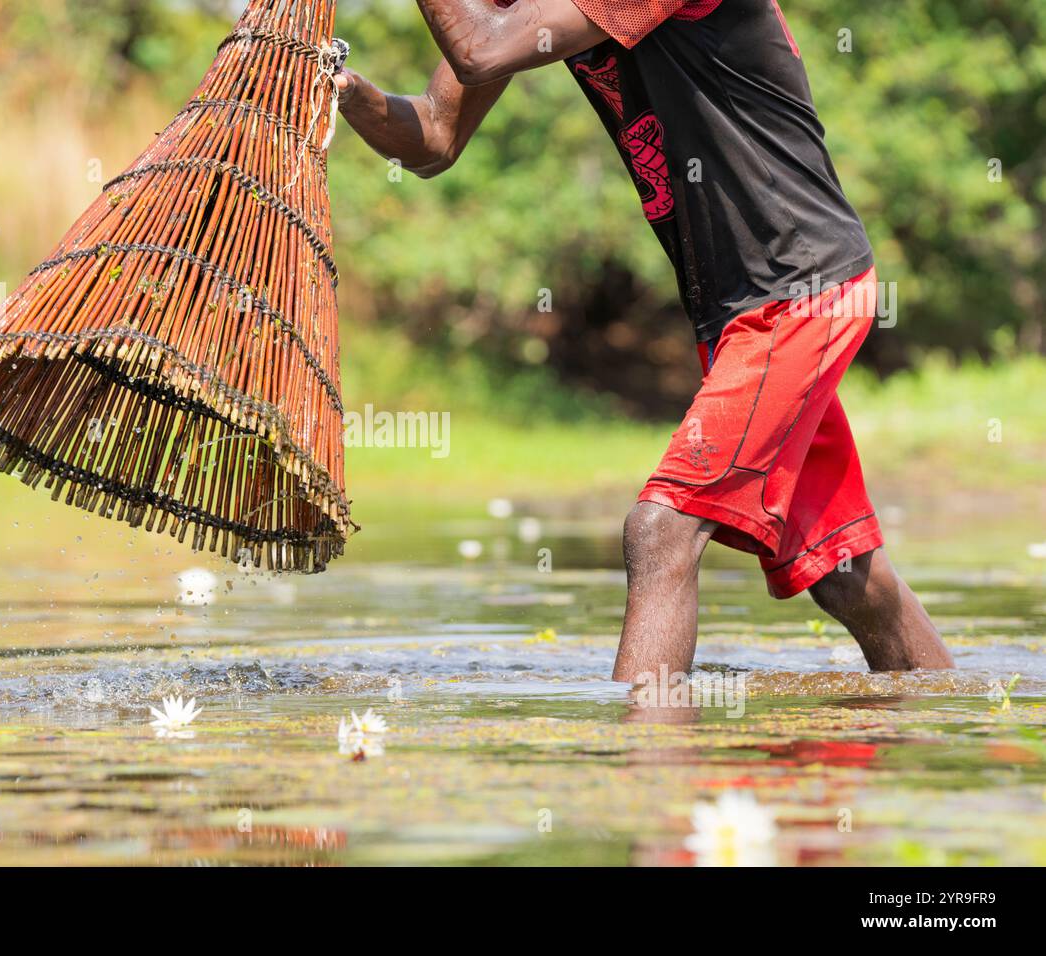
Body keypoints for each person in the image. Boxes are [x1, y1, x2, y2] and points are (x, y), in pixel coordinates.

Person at [334, 0, 955, 679]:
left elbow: (480, 49)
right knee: (840, 569)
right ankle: (953, 719)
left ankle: (644, 772)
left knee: (661, 531)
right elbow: (430, 136)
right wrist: (344, 86)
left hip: (797, 287)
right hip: (737, 307)